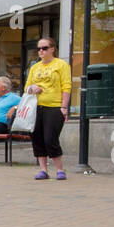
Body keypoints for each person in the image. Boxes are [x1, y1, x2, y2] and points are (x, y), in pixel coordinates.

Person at [23, 36, 72, 180]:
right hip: (36, 107)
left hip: (54, 106)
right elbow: (26, 87)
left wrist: (64, 106)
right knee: (37, 138)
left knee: (51, 138)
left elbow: (66, 86)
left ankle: (59, 169)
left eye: (44, 48)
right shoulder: (35, 67)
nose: (41, 51)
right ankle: (43, 170)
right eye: (38, 48)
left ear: (52, 49)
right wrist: (33, 88)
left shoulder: (61, 65)